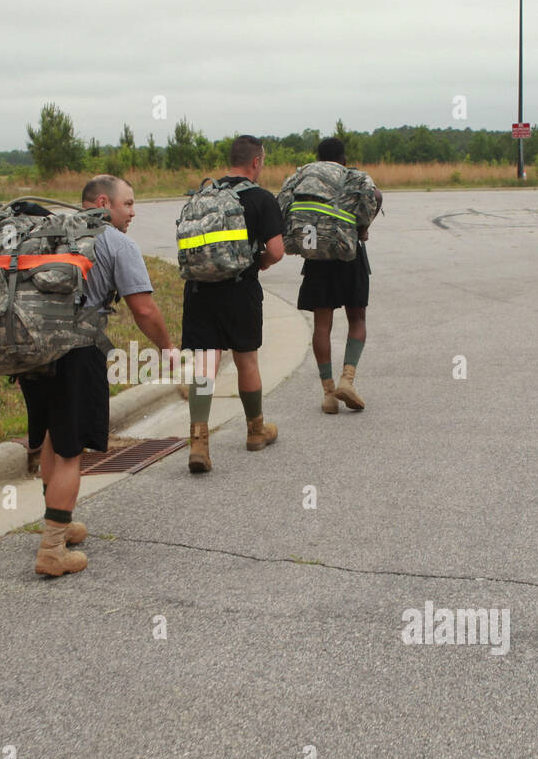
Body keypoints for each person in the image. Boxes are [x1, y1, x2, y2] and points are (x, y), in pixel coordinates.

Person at [19, 174, 176, 575]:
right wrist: (167, 349)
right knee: (72, 451)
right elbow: (143, 309)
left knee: (55, 437)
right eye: (128, 204)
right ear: (104, 203)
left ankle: (61, 520)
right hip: (77, 352)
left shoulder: (48, 233)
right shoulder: (115, 242)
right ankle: (52, 549)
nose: (133, 212)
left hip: (33, 353)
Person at [182, 135, 286, 473]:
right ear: (256, 162)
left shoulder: (204, 194)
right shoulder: (261, 199)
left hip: (200, 289)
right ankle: (256, 430)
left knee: (206, 365)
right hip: (240, 290)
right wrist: (260, 265)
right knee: (247, 361)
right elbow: (276, 250)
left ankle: (199, 441)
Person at [295, 136, 379, 413]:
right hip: (349, 255)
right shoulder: (352, 177)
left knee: (322, 325)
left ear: (318, 159)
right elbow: (376, 196)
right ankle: (348, 379)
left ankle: (329, 393)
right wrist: (363, 226)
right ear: (343, 159)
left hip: (317, 257)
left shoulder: (307, 177)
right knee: (357, 317)